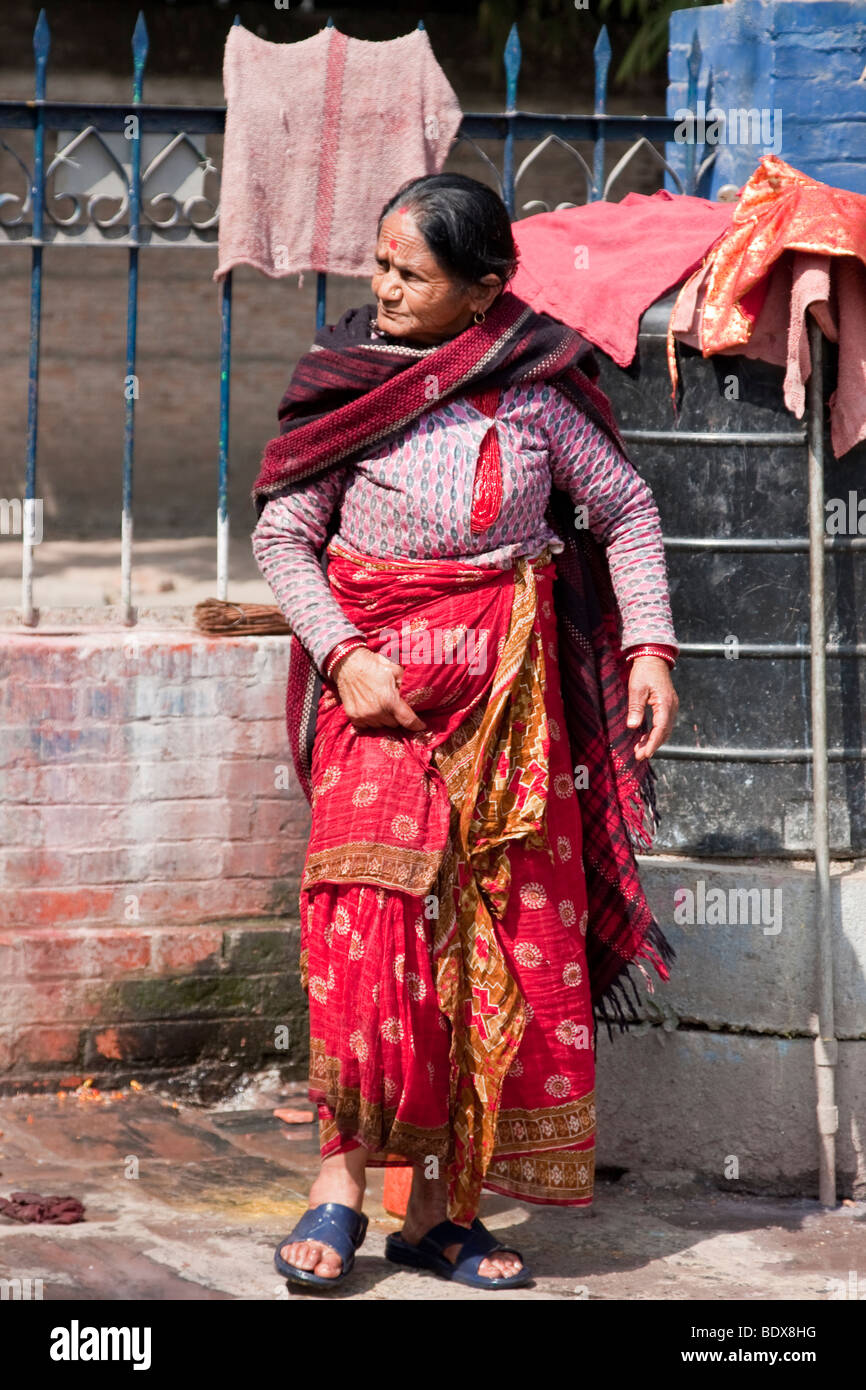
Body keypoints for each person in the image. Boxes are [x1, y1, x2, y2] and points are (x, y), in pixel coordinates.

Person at [252, 172, 679, 1290]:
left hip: (511, 709)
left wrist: (648, 647)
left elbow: (625, 509)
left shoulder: (535, 386)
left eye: (410, 273)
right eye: (380, 264)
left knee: (496, 938)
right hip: (376, 697)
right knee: (365, 924)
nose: (381, 288)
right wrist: (345, 656)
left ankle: (446, 1213)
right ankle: (337, 1190)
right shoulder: (344, 382)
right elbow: (282, 537)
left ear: (484, 290)